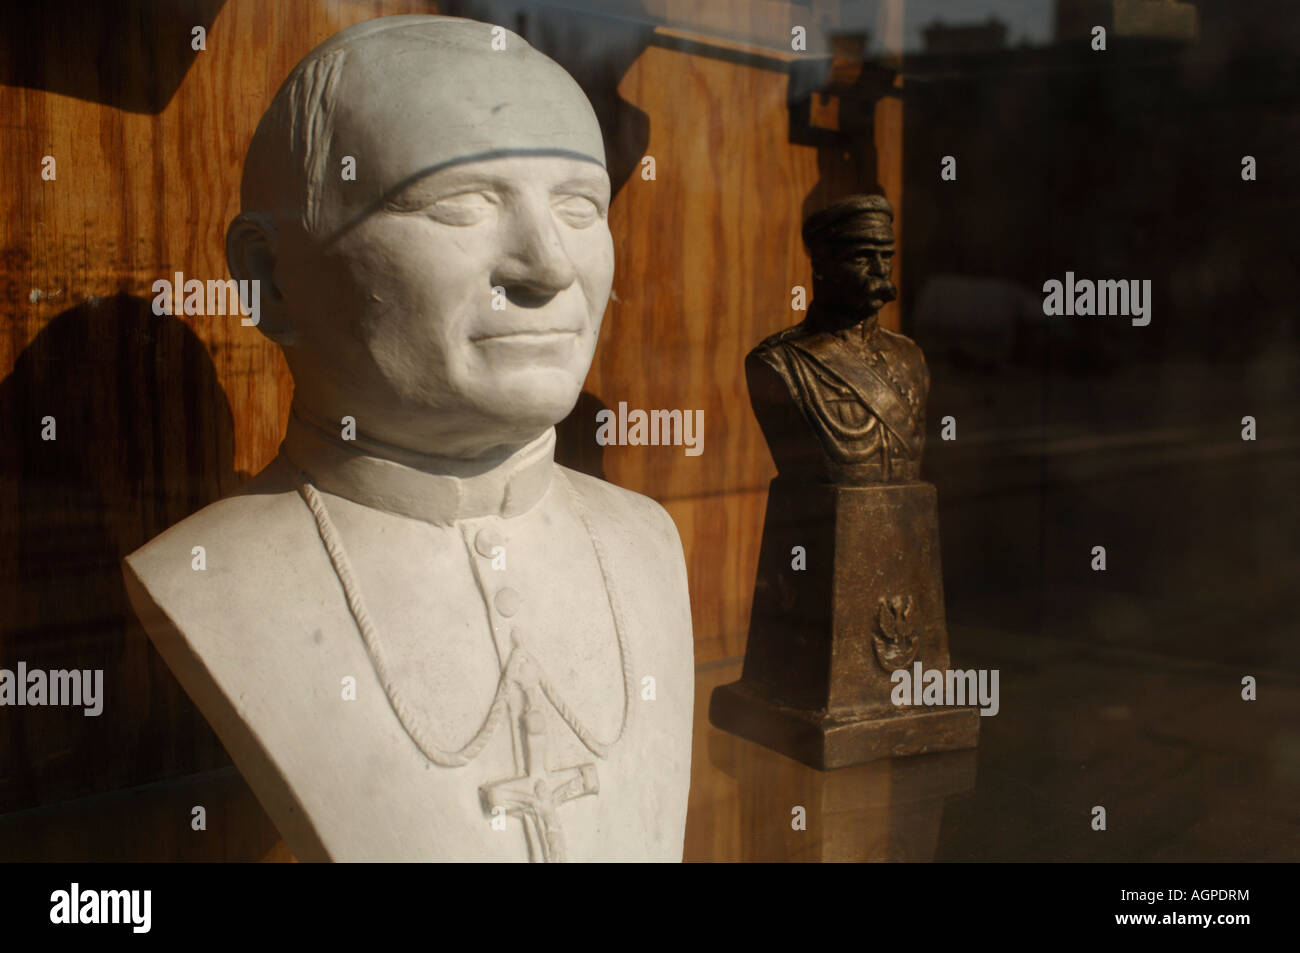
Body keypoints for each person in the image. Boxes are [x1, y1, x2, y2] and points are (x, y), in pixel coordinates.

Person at [124, 15, 693, 863]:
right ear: (270, 280)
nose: (548, 267)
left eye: (580, 207)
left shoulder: (648, 542)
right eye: (459, 204)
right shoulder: (203, 578)